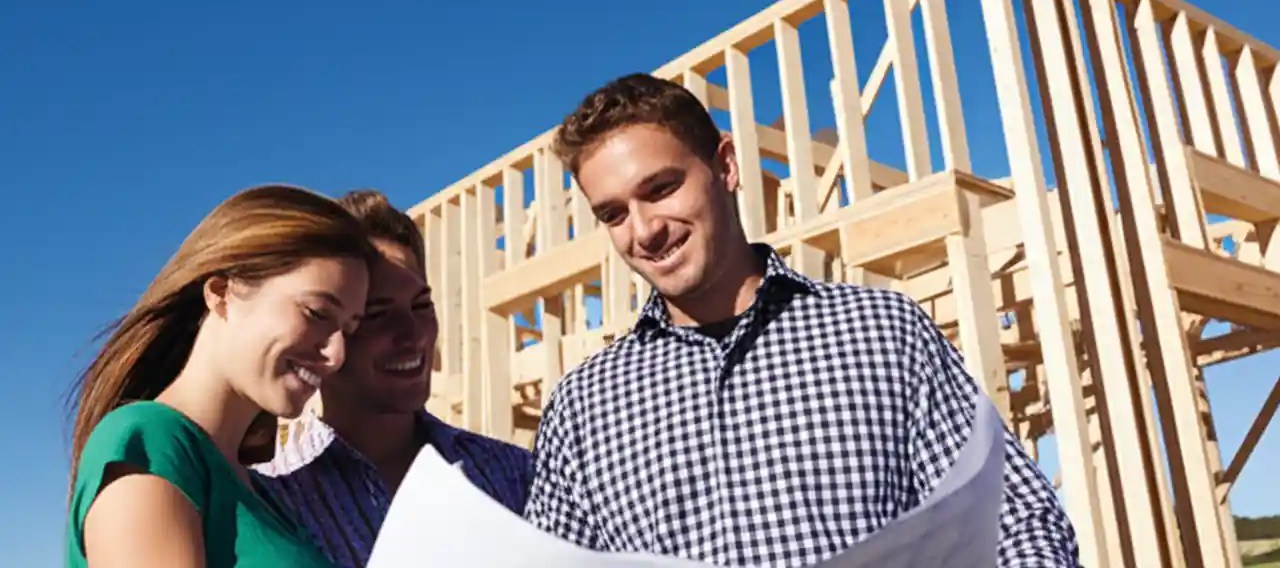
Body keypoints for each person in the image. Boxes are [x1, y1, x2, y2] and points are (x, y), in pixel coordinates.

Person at [523, 73, 1080, 566]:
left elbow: (1014, 521)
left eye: (661, 189)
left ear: (726, 165)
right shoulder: (585, 409)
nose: (644, 231)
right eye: (614, 214)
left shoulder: (880, 334)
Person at [65, 184, 377, 568]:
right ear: (221, 292)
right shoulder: (150, 442)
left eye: (349, 328)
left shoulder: (263, 495)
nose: (336, 354)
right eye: (316, 313)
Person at [252, 190, 534, 568]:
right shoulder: (271, 497)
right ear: (324, 328)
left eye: (421, 306)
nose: (412, 334)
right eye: (377, 314)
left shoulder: (513, 475)